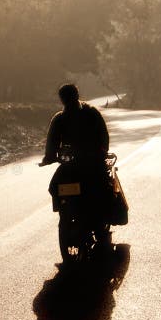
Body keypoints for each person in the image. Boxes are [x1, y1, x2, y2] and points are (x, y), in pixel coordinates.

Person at [41, 84, 112, 259]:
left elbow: (103, 138)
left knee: (102, 190)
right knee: (54, 186)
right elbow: (52, 145)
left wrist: (100, 153)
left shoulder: (89, 113)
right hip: (72, 167)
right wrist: (49, 157)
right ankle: (64, 209)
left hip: (92, 165)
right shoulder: (62, 118)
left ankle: (101, 226)